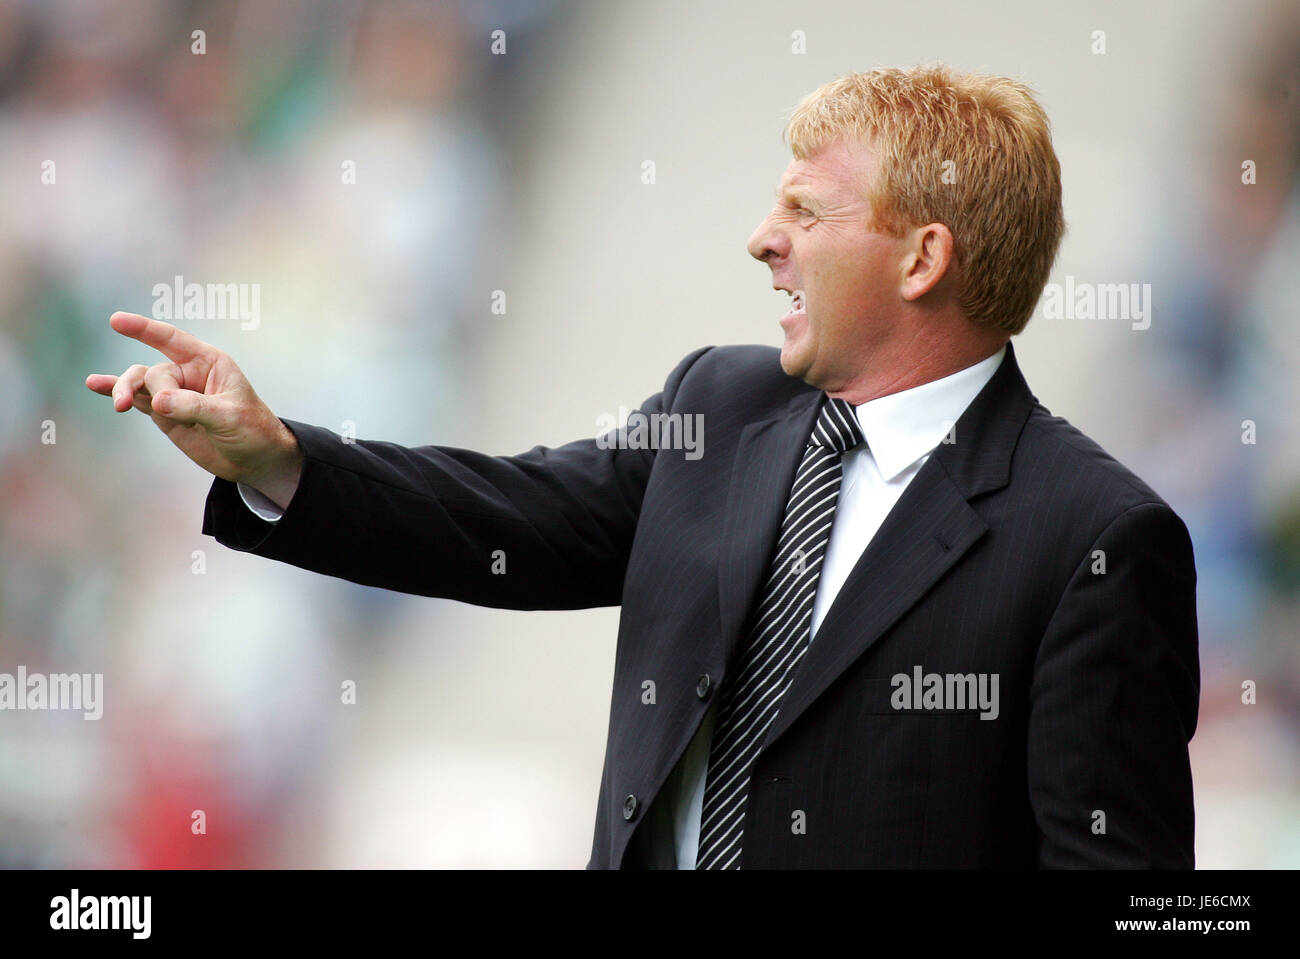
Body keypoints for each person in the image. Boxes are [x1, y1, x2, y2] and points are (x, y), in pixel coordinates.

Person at [86, 65, 1199, 869]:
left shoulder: (1094, 537)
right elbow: (507, 520)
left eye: (805, 211)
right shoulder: (721, 404)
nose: (762, 239)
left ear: (921, 258)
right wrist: (281, 458)